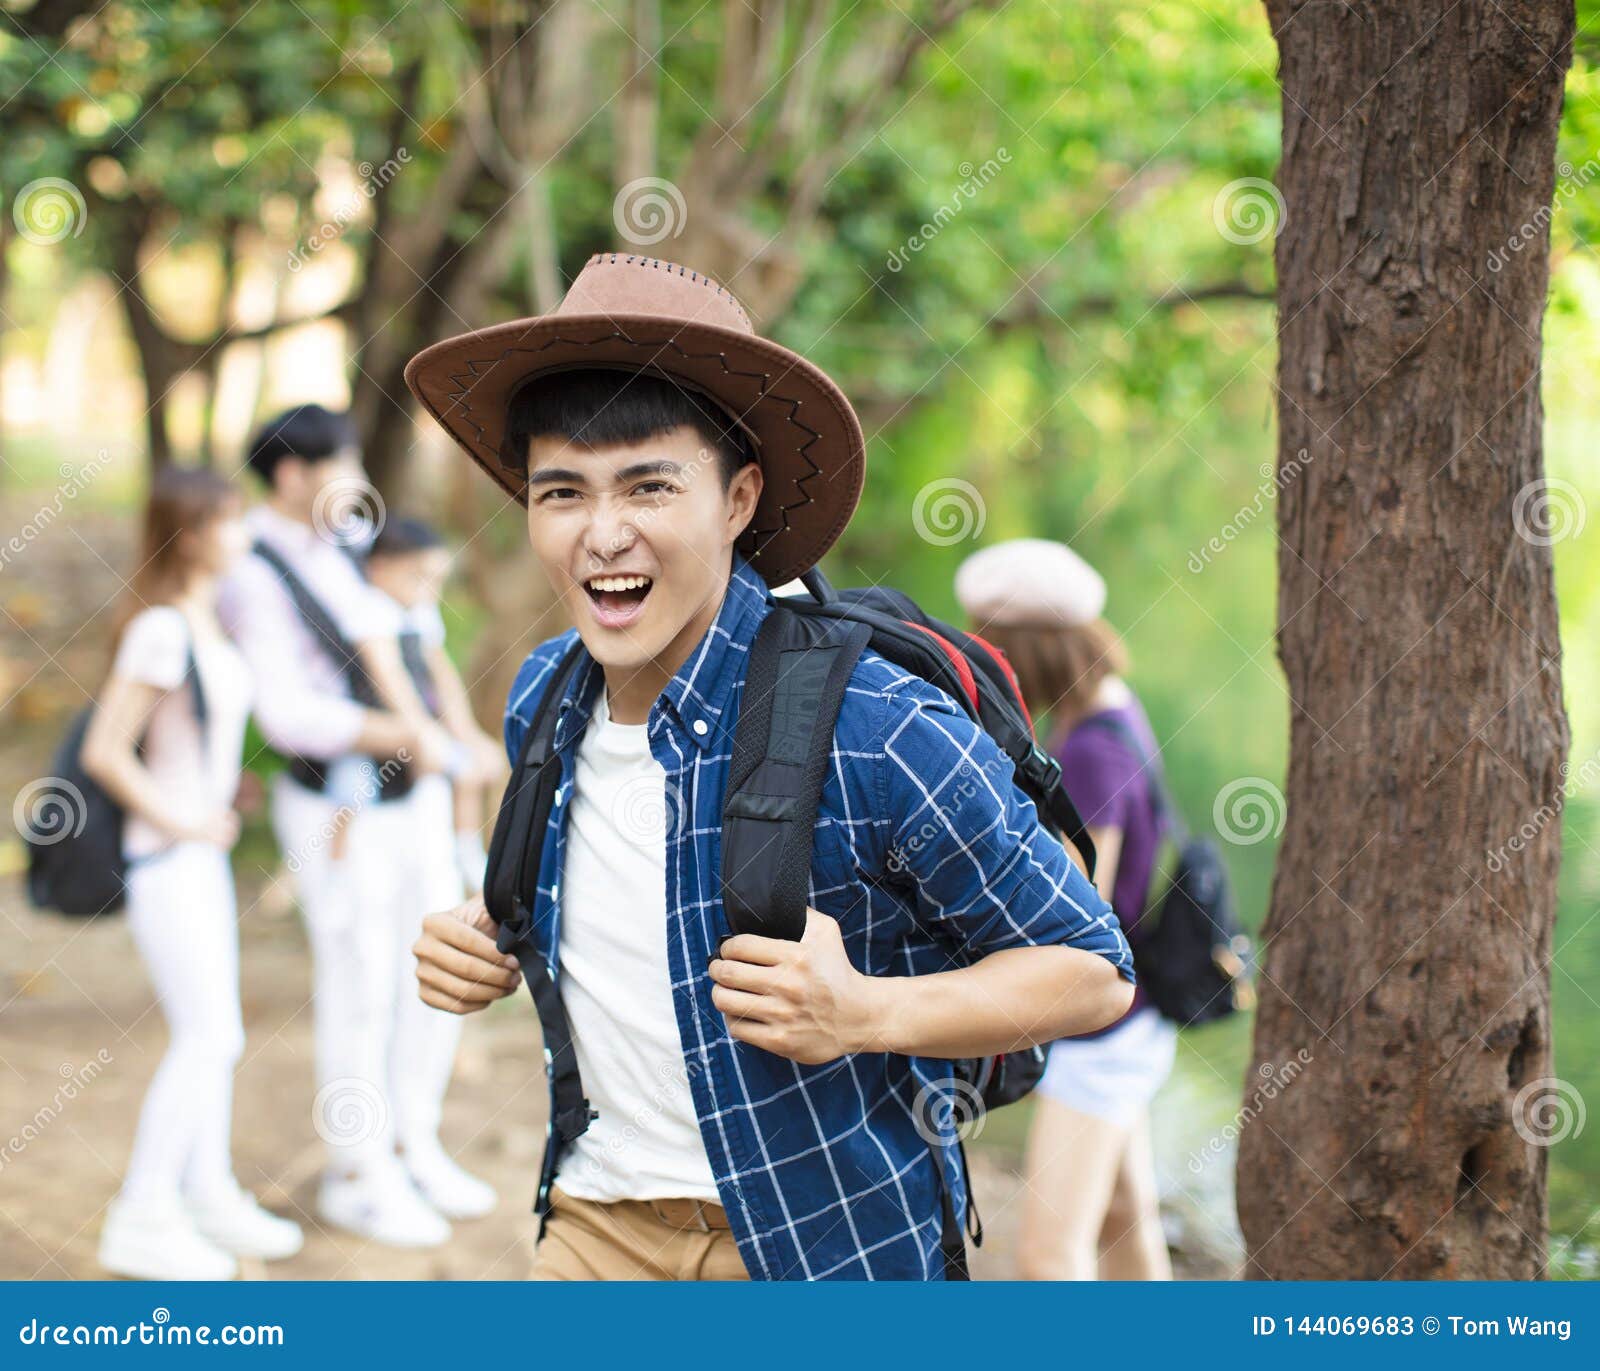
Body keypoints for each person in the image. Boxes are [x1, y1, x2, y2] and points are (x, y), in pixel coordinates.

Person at [405, 252, 1136, 1282]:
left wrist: (868, 1013)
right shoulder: (544, 693)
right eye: (560, 491)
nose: (602, 533)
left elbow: (1093, 971)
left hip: (821, 1247)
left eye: (649, 485)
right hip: (588, 1227)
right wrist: (483, 940)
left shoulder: (875, 724)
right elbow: (609, 913)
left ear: (739, 498)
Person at [218, 404, 461, 1248]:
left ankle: (412, 1140)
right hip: (333, 805)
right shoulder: (251, 569)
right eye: (341, 463)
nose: (355, 480)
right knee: (360, 983)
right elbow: (284, 711)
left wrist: (439, 734)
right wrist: (400, 735)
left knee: (435, 966)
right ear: (292, 474)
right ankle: (358, 1173)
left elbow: (412, 635)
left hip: (415, 795)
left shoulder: (353, 540)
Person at [86, 466, 303, 1281]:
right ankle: (140, 1213)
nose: (241, 531)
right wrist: (186, 818)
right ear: (190, 532)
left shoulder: (202, 624)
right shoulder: (162, 630)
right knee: (210, 1036)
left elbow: (185, 742)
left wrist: (221, 790)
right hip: (167, 857)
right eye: (227, 519)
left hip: (198, 854)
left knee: (214, 1034)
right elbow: (108, 751)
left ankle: (205, 1193)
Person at [955, 537, 1176, 1281]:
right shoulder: (1118, 709)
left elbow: (1079, 911)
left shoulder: (1090, 752)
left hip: (1099, 1041)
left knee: (1049, 1256)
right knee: (1124, 1227)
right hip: (1137, 1024)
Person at [356, 516, 504, 1217]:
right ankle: (374, 1153)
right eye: (419, 574)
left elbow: (442, 686)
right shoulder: (368, 611)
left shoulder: (416, 614)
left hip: (427, 812)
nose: (427, 590)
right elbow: (402, 695)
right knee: (380, 989)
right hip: (379, 811)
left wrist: (468, 736)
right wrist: (439, 744)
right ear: (383, 564)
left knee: (436, 988)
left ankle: (420, 1139)